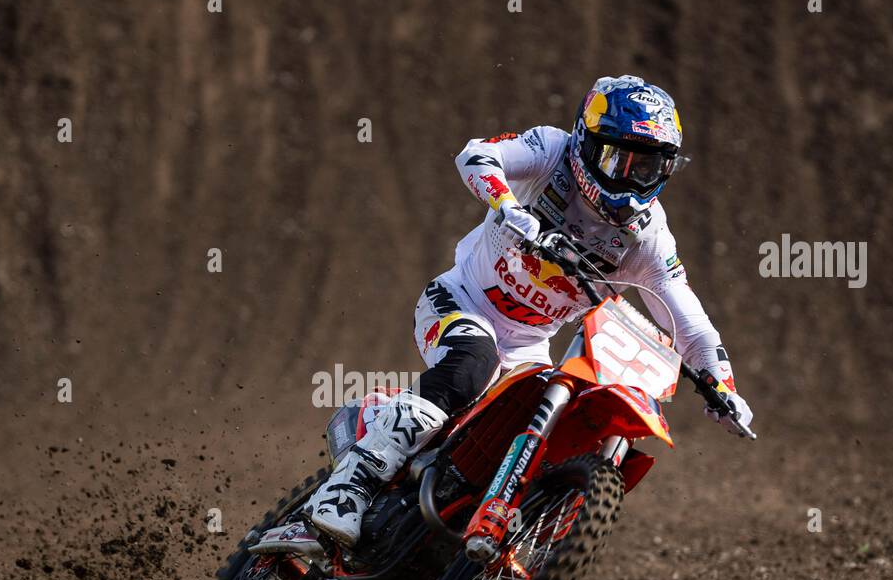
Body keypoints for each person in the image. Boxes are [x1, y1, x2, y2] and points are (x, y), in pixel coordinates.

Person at [306, 75, 754, 547]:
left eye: (644, 169)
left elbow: (687, 317)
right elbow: (476, 154)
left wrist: (721, 384)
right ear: (585, 141)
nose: (626, 179)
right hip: (462, 301)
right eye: (615, 160)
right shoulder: (551, 151)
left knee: (534, 435)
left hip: (528, 348)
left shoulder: (647, 237)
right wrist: (506, 204)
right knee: (470, 367)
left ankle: (469, 555)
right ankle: (347, 486)